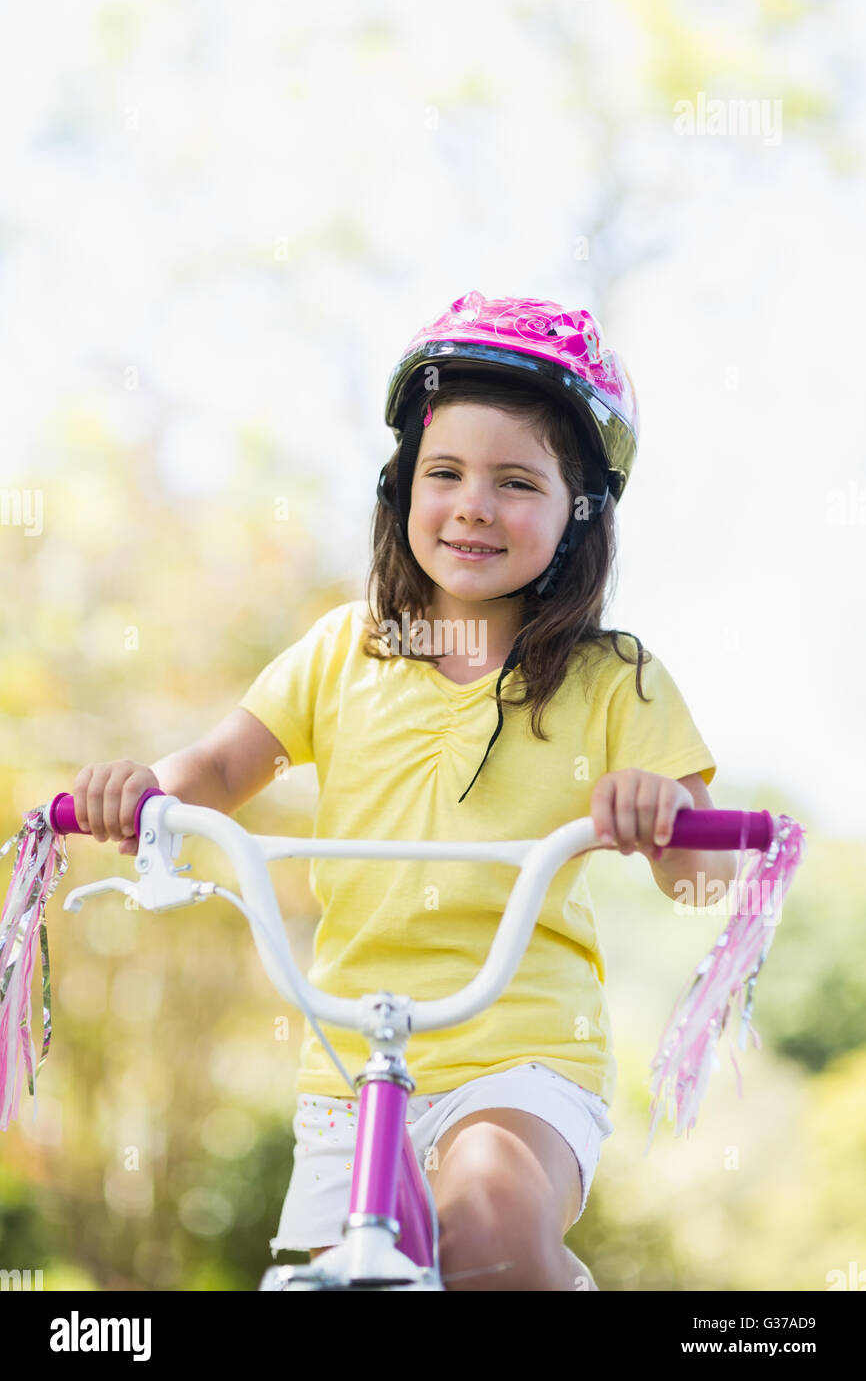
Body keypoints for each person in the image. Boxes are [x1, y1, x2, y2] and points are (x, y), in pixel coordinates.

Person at [71, 291, 736, 1291]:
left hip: (520, 1055)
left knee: (488, 1229)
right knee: (340, 1273)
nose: (473, 503)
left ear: (578, 514)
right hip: (350, 1059)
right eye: (445, 473)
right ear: (398, 487)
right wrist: (141, 790)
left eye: (517, 482)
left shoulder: (613, 680)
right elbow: (213, 773)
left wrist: (662, 815)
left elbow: (702, 878)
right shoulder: (343, 650)